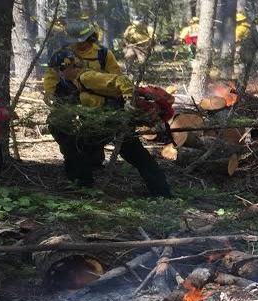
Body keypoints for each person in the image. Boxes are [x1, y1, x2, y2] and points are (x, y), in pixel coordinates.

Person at [45, 49, 171, 197]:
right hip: (107, 123)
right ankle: (161, 192)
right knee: (135, 156)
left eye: (59, 69)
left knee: (133, 155)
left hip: (115, 122)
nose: (59, 74)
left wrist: (129, 99)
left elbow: (120, 80)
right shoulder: (76, 83)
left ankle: (83, 187)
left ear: (69, 66)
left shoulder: (87, 77)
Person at [43, 19, 122, 105]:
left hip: (97, 100)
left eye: (82, 41)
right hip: (67, 98)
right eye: (76, 41)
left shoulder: (103, 54)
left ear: (91, 38)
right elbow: (51, 75)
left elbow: (116, 76)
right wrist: (49, 92)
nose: (79, 44)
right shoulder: (63, 54)